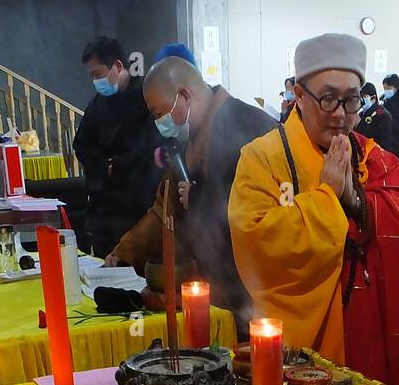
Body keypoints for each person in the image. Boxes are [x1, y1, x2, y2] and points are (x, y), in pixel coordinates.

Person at [229, 33, 399, 385]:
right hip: (302, 352)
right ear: (299, 95)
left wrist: (358, 202)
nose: (340, 113)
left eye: (352, 99)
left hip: (371, 338)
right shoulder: (262, 158)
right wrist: (326, 195)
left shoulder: (377, 159)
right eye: (327, 98)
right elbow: (259, 246)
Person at [105, 57, 277, 334]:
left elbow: (263, 213)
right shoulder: (189, 141)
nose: (158, 123)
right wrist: (126, 253)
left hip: (251, 299)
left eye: (160, 112)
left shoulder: (250, 126)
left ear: (184, 95)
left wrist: (203, 199)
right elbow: (164, 208)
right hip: (211, 295)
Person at [73, 37, 164, 257]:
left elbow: (155, 143)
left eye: (98, 73)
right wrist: (106, 166)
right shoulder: (97, 104)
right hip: (106, 208)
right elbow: (81, 144)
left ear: (118, 66)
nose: (95, 80)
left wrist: (121, 164)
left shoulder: (147, 94)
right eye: (91, 75)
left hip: (141, 204)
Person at [357, 82, 397, 156]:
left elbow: (383, 144)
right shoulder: (360, 114)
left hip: (375, 156)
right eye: (360, 96)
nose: (361, 100)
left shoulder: (383, 115)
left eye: (364, 96)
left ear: (373, 98)